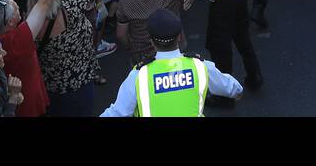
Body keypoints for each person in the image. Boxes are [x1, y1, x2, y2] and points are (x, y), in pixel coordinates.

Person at [100, 9, 243, 117]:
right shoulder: (200, 66)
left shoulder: (139, 75)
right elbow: (234, 89)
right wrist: (237, 93)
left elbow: (117, 113)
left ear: (152, 42)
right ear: (179, 37)